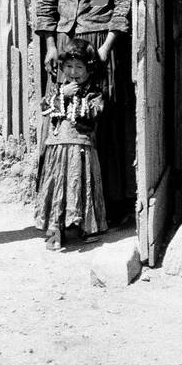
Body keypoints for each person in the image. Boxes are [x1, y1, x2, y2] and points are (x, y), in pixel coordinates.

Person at [34, 0, 136, 224]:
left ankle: (106, 204)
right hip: (65, 46)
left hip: (100, 45)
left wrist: (106, 48)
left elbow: (123, 2)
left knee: (100, 120)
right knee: (65, 118)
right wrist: (50, 45)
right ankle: (63, 203)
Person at [33, 39, 108, 251]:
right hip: (57, 146)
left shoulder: (93, 92)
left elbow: (94, 113)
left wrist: (77, 99)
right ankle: (55, 229)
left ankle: (87, 225)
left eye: (79, 67)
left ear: (89, 69)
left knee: (81, 183)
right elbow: (46, 108)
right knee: (57, 184)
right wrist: (61, 96)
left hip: (81, 146)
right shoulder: (58, 89)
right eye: (68, 67)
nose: (73, 72)